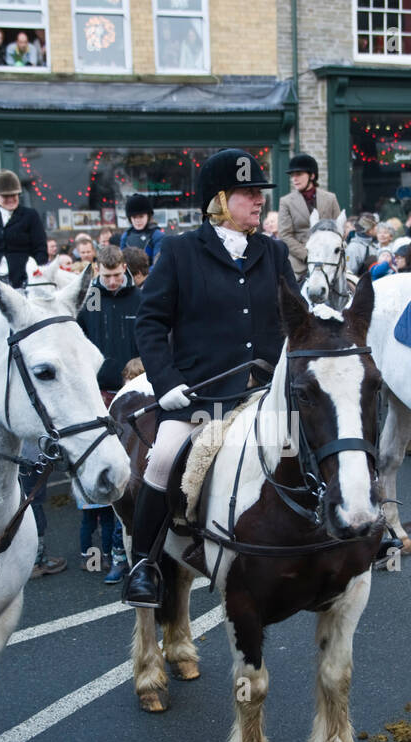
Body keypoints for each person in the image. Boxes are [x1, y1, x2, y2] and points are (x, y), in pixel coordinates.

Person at [124, 149, 298, 607]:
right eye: (248, 193)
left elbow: (294, 320)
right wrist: (167, 382)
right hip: (199, 395)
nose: (259, 201)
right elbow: (149, 322)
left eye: (260, 194)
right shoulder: (181, 252)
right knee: (161, 461)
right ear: (219, 201)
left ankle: (353, 528)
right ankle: (143, 565)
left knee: (321, 443)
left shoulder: (274, 252)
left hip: (264, 394)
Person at [77, 244, 142, 584]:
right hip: (98, 397)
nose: (113, 282)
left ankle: (123, 554)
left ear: (125, 270)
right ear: (97, 272)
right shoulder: (90, 299)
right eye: (107, 276)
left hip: (133, 394)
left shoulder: (139, 297)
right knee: (97, 475)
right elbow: (79, 340)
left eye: (117, 275)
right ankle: (93, 556)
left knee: (129, 473)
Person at [0, 169, 48, 289]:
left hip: (25, 278)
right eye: (6, 196)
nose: (11, 199)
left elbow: (41, 249)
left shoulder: (30, 215)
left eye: (14, 195)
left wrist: (34, 273)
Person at [277, 153, 341, 280]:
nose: (294, 178)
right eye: (292, 175)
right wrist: (307, 254)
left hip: (327, 259)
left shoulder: (330, 198)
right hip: (299, 261)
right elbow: (285, 235)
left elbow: (338, 229)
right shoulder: (286, 202)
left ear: (312, 175)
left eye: (299, 174)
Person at [115, 194, 164, 262]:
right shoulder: (126, 236)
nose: (138, 221)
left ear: (148, 216)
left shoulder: (157, 235)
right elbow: (121, 261)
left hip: (150, 271)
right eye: (134, 217)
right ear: (130, 218)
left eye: (141, 216)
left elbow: (158, 263)